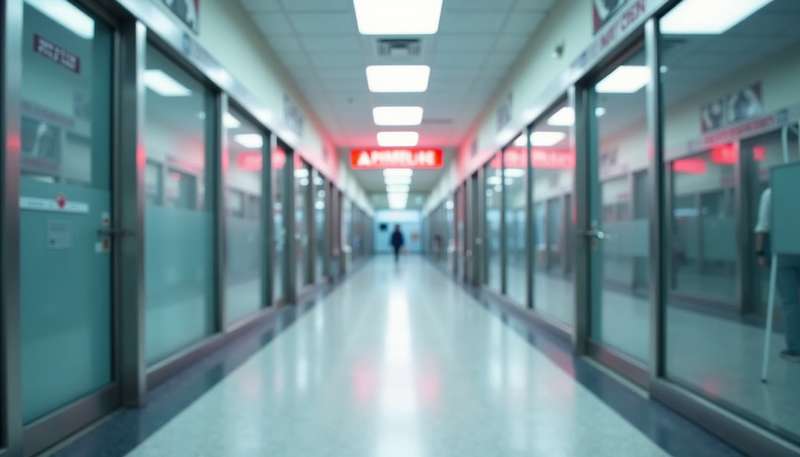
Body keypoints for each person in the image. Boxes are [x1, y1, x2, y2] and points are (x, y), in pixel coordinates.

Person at [755, 187, 800, 362]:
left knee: (790, 302)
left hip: (783, 251)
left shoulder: (771, 192)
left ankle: (795, 349)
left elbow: (763, 226)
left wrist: (760, 253)